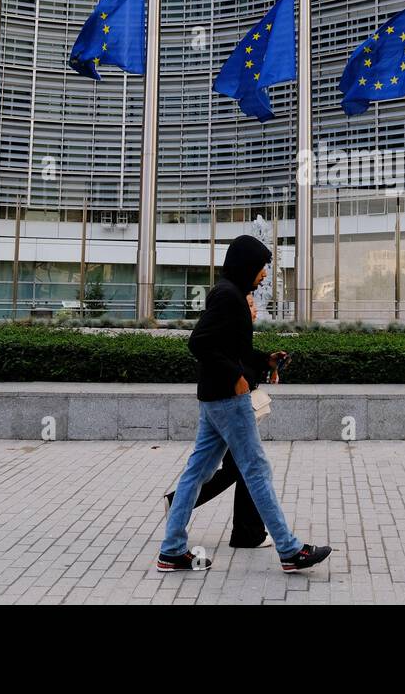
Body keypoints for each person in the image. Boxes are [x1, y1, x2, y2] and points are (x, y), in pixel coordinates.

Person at [157, 234, 333, 573]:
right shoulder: (228, 296)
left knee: (197, 473)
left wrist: (264, 360)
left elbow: (228, 347)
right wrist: (236, 376)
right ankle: (290, 550)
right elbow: (200, 343)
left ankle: (172, 550)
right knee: (256, 470)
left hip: (214, 400)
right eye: (261, 268)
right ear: (245, 265)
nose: (264, 275)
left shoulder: (231, 293)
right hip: (228, 400)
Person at [163, 292, 273, 549]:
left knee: (236, 469)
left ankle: (246, 532)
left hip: (226, 411)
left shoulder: (236, 335)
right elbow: (222, 361)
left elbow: (244, 360)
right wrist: (244, 377)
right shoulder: (224, 333)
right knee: (249, 468)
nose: (254, 309)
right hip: (227, 411)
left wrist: (267, 362)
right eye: (249, 304)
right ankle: (252, 534)